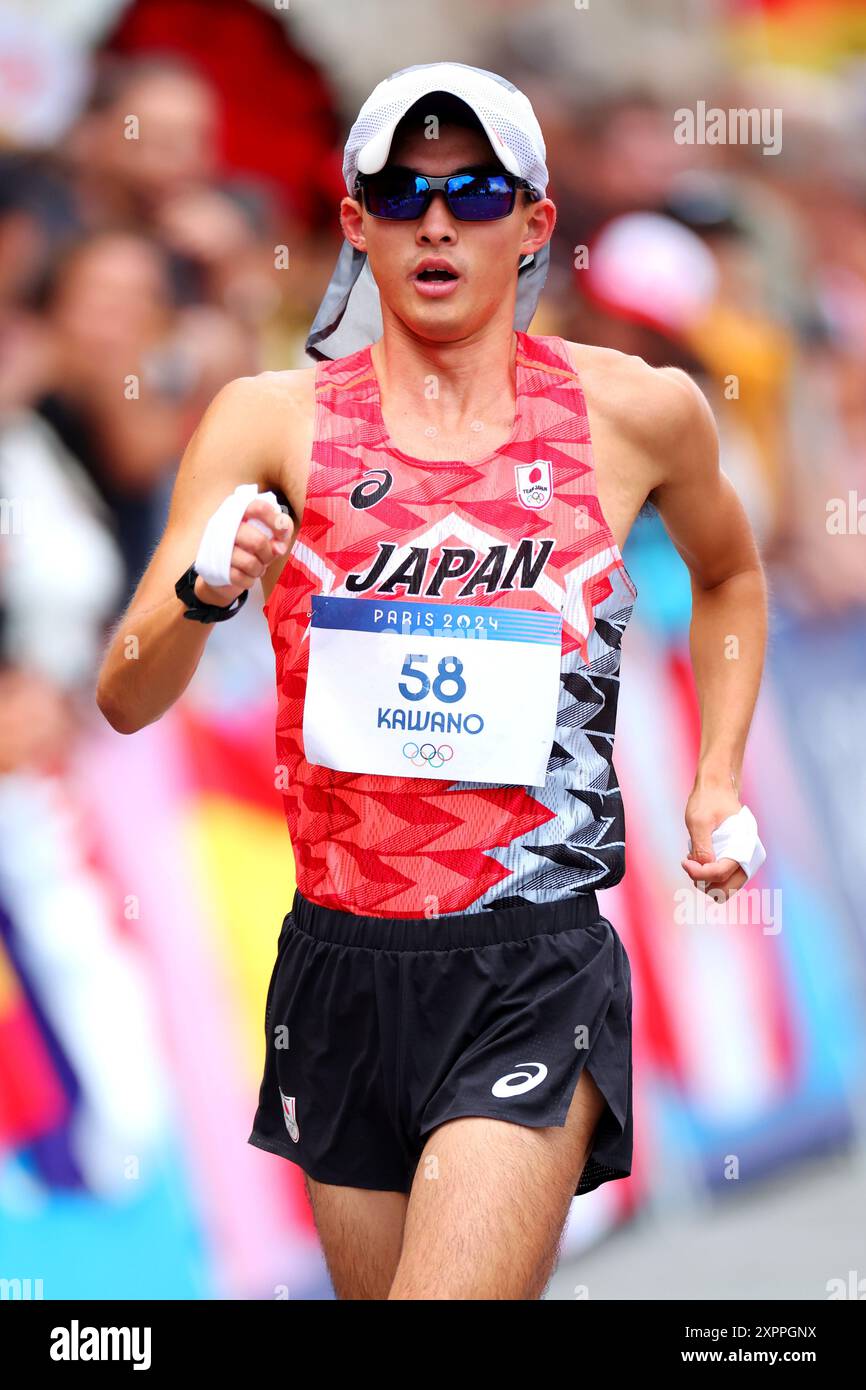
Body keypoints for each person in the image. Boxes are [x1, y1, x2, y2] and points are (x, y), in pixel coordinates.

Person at [95, 62, 768, 1300]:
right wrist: (200, 589)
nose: (438, 220)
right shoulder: (266, 420)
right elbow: (124, 695)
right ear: (355, 223)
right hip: (338, 969)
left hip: (529, 962)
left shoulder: (635, 412)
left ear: (534, 220)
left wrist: (713, 777)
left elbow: (728, 576)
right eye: (402, 193)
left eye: (475, 188)